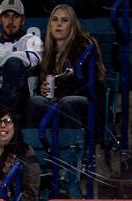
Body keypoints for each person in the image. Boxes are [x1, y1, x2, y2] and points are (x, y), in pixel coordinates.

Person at [27, 4, 107, 133]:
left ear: (72, 25)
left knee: (67, 103)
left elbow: (95, 85)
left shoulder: (85, 48)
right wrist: (42, 89)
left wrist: (69, 82)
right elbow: (41, 84)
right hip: (56, 101)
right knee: (35, 101)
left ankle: (74, 145)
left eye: (64, 20)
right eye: (55, 20)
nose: (58, 24)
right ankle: (34, 148)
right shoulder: (46, 52)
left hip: (82, 100)